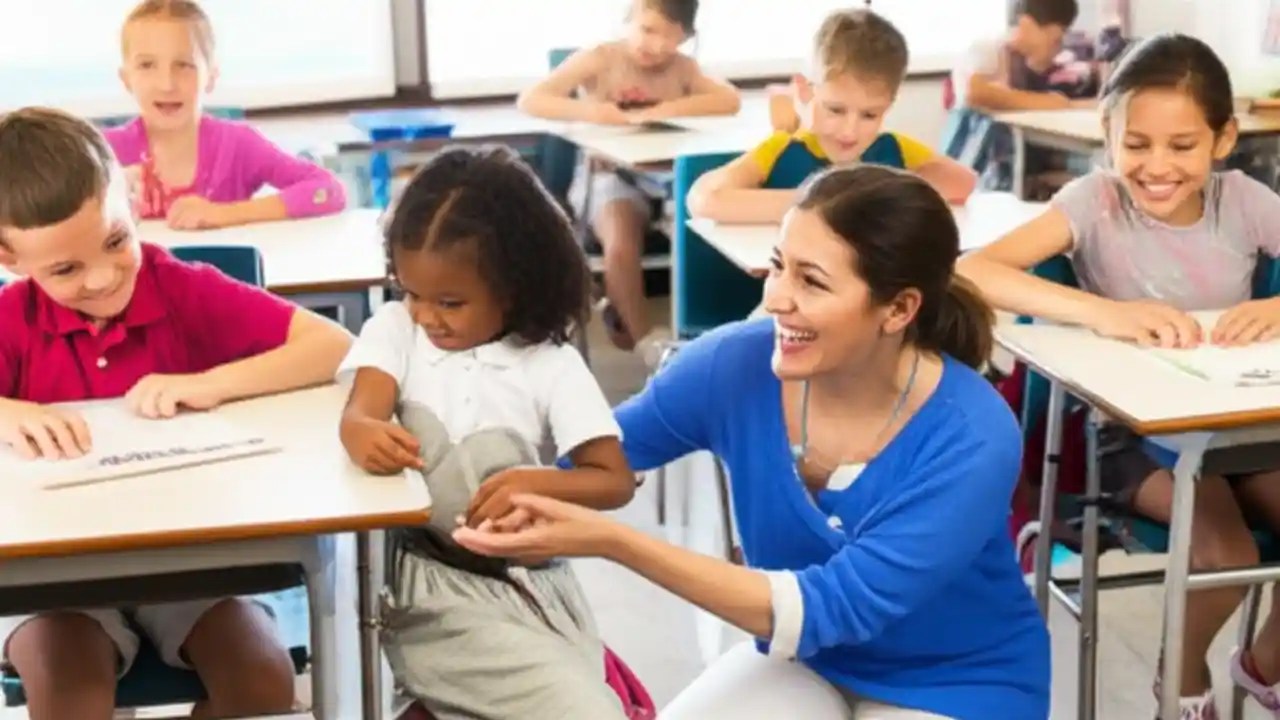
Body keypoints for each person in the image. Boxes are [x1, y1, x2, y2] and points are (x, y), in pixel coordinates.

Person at [456, 164, 1050, 720]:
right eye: (778, 265)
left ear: (898, 309)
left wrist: (613, 540)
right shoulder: (735, 365)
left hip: (960, 680)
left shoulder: (972, 435)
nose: (775, 299)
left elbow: (834, 607)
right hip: (808, 661)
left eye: (811, 281)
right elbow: (598, 455)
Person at [958, 34, 1280, 718]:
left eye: (1182, 145)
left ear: (1223, 139)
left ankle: (1262, 665)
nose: (1157, 166)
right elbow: (972, 272)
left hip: (1236, 426)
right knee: (1225, 554)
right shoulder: (1093, 203)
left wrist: (1276, 307)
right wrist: (1105, 312)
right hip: (1128, 437)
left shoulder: (1245, 200)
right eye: (1135, 144)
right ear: (1107, 133)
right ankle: (1181, 680)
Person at [0, 107, 352, 719]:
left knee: (262, 682)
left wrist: (211, 384)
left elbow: (334, 346)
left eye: (116, 240)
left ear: (132, 202)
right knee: (69, 699)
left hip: (194, 564)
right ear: (10, 258)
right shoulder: (13, 319)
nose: (104, 278)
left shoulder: (182, 290)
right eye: (66, 269)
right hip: (56, 578)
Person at [337, 145, 646, 719]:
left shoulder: (549, 364)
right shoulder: (397, 331)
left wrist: (538, 483)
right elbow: (361, 415)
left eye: (450, 302)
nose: (426, 314)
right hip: (425, 585)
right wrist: (360, 431)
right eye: (411, 292)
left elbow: (613, 481)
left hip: (531, 585)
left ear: (515, 289)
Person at [517, 0, 740, 362]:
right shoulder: (601, 57)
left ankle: (702, 341)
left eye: (670, 37)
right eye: (648, 30)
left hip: (662, 181)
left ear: (686, 38)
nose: (656, 45)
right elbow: (532, 100)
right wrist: (594, 112)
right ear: (629, 19)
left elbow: (729, 100)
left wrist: (662, 110)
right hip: (609, 178)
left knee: (706, 229)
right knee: (621, 241)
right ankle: (646, 344)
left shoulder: (683, 68)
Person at [688, 8, 977, 226]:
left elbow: (962, 182)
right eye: (835, 110)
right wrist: (823, 202)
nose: (850, 131)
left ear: (888, 107)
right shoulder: (782, 149)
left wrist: (886, 195)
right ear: (805, 91)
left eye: (869, 115)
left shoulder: (893, 147)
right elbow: (704, 199)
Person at [107, 0, 346, 229]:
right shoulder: (103, 152)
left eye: (184, 65)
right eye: (147, 65)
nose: (167, 84)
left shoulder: (238, 145)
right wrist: (107, 193)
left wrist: (224, 214)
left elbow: (328, 190)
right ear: (126, 79)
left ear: (211, 77)